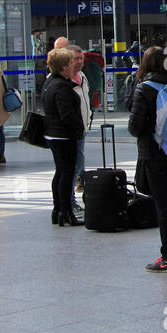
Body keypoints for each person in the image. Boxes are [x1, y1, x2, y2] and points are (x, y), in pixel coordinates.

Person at [128, 46, 167, 274]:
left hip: (155, 155)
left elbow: (135, 128)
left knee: (164, 207)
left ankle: (166, 258)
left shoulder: (144, 89)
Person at [40, 48, 83, 226]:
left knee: (60, 173)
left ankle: (58, 210)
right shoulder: (62, 87)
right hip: (63, 136)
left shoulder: (50, 83)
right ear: (64, 66)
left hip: (53, 134)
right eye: (72, 61)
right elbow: (66, 114)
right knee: (67, 174)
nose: (75, 63)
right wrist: (78, 127)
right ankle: (65, 211)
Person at [68, 45, 93, 211]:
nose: (79, 62)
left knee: (78, 164)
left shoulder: (82, 76)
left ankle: (70, 199)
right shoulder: (63, 80)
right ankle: (68, 201)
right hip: (70, 131)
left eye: (81, 58)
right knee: (72, 166)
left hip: (81, 127)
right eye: (75, 58)